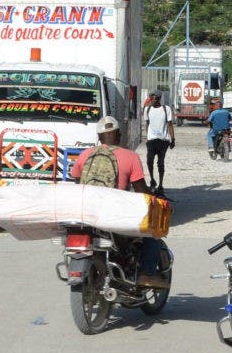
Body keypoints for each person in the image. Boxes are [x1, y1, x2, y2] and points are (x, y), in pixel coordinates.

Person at [70, 115, 166, 289]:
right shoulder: (130, 157)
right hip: (114, 218)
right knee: (151, 236)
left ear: (99, 137)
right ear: (120, 135)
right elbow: (141, 190)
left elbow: (77, 183)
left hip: (87, 215)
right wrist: (156, 199)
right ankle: (146, 274)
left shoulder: (85, 155)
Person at [143, 92, 175, 195]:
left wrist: (173, 139)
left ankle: (161, 184)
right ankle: (152, 180)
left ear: (159, 99)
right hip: (151, 140)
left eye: (155, 99)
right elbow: (147, 123)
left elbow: (169, 124)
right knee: (149, 160)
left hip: (163, 140)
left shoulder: (166, 109)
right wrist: (147, 137)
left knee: (160, 163)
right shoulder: (147, 109)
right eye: (151, 99)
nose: (153, 100)